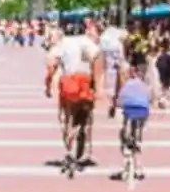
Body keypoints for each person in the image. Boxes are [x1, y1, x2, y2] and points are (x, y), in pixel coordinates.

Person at [45, 21, 104, 170]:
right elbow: (97, 59)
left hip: (68, 82)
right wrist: (98, 87)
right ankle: (82, 150)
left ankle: (69, 147)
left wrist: (48, 83)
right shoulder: (88, 43)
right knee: (86, 118)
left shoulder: (62, 43)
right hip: (85, 81)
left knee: (67, 118)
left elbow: (52, 64)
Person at [111, 62, 154, 181]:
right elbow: (150, 99)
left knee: (124, 133)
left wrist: (115, 106)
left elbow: (120, 101)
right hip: (142, 111)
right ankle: (138, 167)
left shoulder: (127, 84)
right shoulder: (143, 84)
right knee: (139, 133)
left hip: (129, 110)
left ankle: (127, 151)